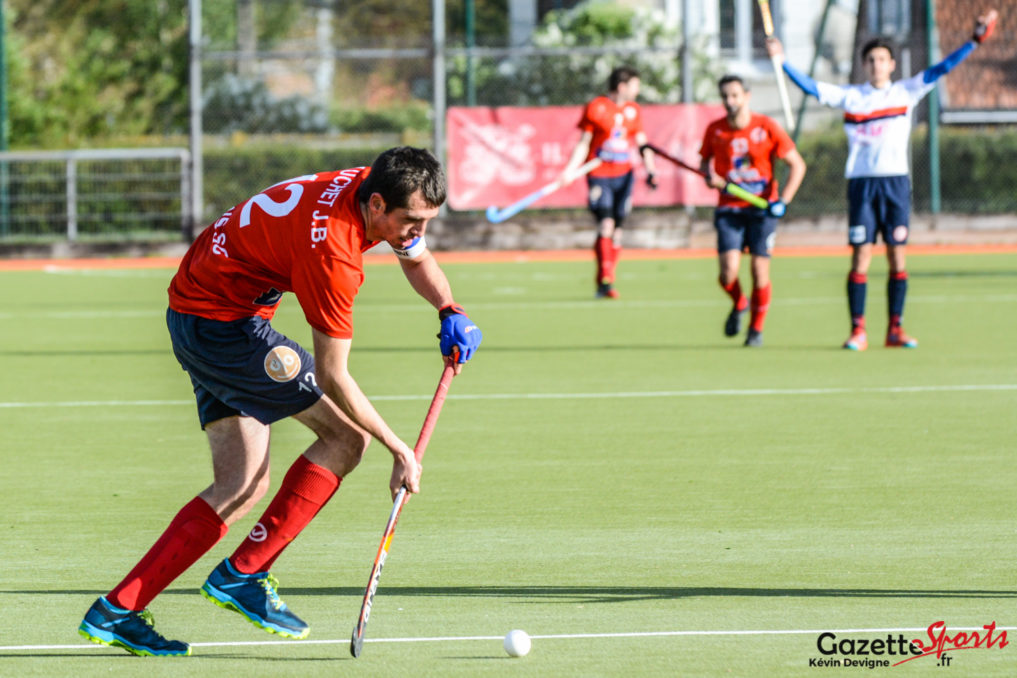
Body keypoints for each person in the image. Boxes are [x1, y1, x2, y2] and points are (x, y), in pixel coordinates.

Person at [78, 146, 483, 657]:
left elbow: (415, 255)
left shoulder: (368, 186)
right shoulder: (333, 253)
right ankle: (244, 574)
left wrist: (448, 308)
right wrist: (398, 448)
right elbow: (334, 375)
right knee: (346, 439)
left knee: (241, 483)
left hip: (198, 313)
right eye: (411, 220)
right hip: (223, 327)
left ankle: (117, 610)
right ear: (377, 205)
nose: (417, 232)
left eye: (427, 220)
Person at [767, 9, 997, 350]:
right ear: (865, 65)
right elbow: (813, 88)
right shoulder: (852, 97)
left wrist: (975, 40)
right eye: (871, 59)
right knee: (860, 257)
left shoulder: (906, 92)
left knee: (897, 257)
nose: (877, 65)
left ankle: (895, 329)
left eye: (882, 59)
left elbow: (943, 68)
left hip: (895, 185)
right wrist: (782, 62)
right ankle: (858, 330)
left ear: (892, 64)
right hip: (862, 185)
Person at [699, 74, 806, 347]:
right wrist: (708, 176)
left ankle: (756, 330)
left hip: (763, 210)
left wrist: (784, 200)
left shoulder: (766, 126)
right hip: (729, 210)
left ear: (746, 96)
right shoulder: (715, 130)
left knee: (760, 271)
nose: (730, 101)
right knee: (728, 273)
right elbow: (704, 163)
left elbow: (797, 165)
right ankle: (740, 302)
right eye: (725, 96)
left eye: (735, 95)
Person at [560, 65, 657, 299]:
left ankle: (605, 280)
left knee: (618, 232)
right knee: (606, 224)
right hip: (599, 174)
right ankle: (606, 279)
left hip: (625, 176)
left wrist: (651, 169)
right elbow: (584, 142)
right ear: (622, 86)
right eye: (635, 85)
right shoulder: (596, 107)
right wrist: (570, 170)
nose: (638, 90)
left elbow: (642, 142)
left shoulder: (634, 110)